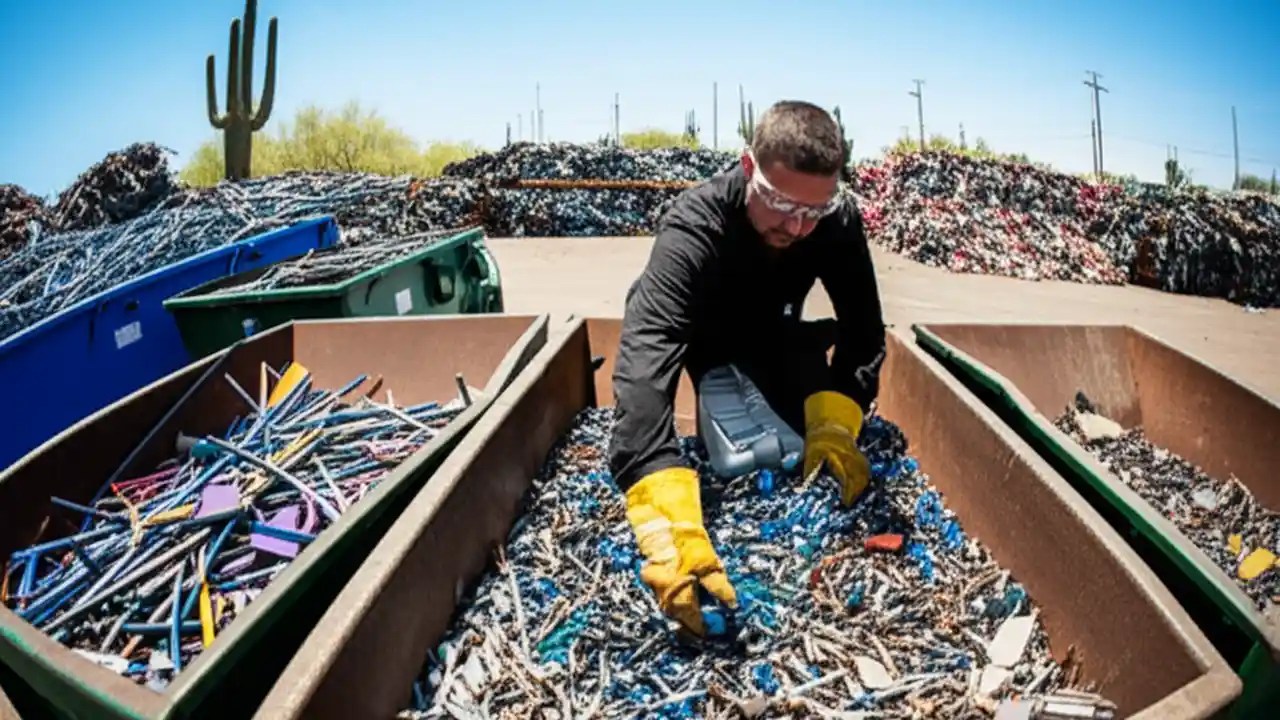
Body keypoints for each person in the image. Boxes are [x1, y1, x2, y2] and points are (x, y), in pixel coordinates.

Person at [607, 100, 888, 636]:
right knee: (688, 433)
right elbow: (648, 350)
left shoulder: (833, 219)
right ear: (747, 168)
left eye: (813, 210)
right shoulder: (696, 222)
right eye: (780, 203)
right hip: (700, 338)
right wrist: (659, 496)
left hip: (774, 332)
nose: (797, 226)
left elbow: (863, 330)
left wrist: (836, 423)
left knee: (797, 446)